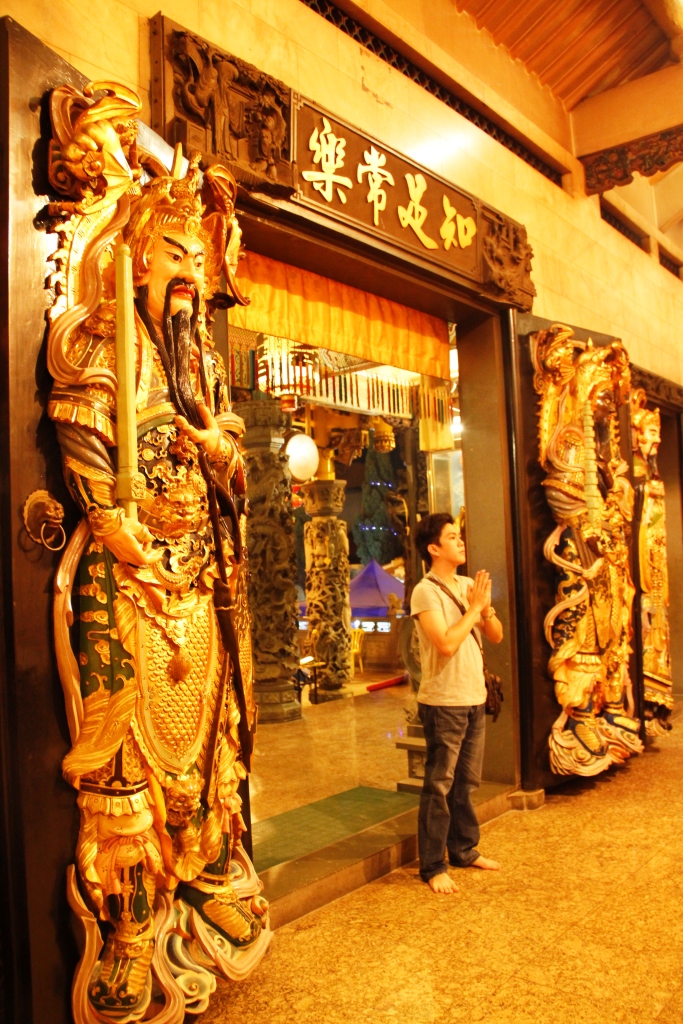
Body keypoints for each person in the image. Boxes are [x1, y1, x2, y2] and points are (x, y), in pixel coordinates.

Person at [411, 512, 504, 894]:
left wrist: (484, 607)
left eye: (460, 535)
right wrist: (473, 608)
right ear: (434, 548)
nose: (460, 541)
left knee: (465, 782)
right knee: (439, 783)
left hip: (474, 696)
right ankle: (433, 864)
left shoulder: (468, 584)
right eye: (452, 537)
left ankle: (464, 849)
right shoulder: (425, 591)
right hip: (443, 700)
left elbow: (495, 635)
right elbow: (446, 643)